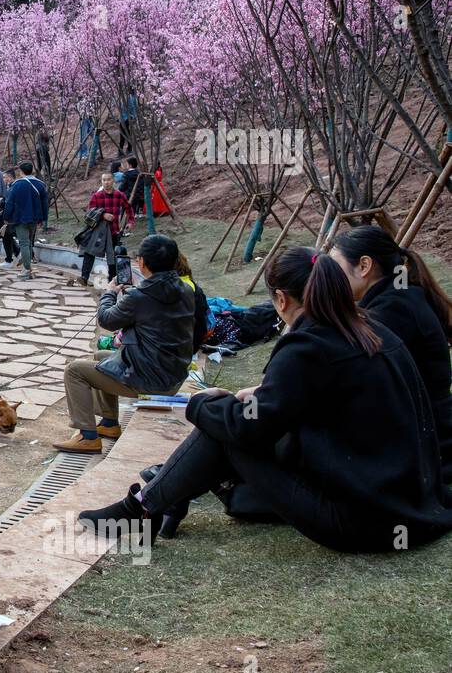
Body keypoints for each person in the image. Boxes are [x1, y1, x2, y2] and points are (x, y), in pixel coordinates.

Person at [78, 247, 452, 551]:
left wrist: (200, 404)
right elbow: (329, 397)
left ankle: (142, 507)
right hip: (414, 504)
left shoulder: (307, 347)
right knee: (231, 417)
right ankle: (154, 503)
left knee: (224, 429)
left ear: (280, 299)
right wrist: (256, 397)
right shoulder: (372, 329)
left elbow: (247, 431)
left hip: (363, 520)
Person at [331, 226, 452, 481]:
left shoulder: (391, 311)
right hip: (429, 427)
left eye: (335, 268)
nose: (331, 278)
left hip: (426, 441)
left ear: (364, 266)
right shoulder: (399, 295)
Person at [57, 234, 195, 454]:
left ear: (141, 262)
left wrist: (109, 293)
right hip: (174, 373)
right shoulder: (186, 289)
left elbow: (107, 320)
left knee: (74, 370)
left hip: (151, 380)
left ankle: (87, 436)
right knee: (102, 356)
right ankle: (110, 424)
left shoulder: (140, 296)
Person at [77, 172, 134, 286]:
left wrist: (130, 222)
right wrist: (103, 215)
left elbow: (128, 208)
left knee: (112, 255)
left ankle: (111, 281)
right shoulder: (97, 196)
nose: (106, 182)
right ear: (101, 181)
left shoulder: (119, 195)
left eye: (108, 180)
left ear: (113, 181)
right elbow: (89, 212)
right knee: (90, 252)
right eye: (103, 180)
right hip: (98, 231)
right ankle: (84, 277)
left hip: (114, 230)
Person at [1, 161, 48, 279]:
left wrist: (6, 217)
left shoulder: (17, 184)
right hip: (35, 219)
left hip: (20, 218)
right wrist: (43, 218)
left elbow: (10, 202)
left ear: (21, 172)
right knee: (29, 242)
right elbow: (45, 203)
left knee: (24, 243)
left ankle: (26, 270)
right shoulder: (40, 184)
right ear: (32, 171)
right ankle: (27, 267)